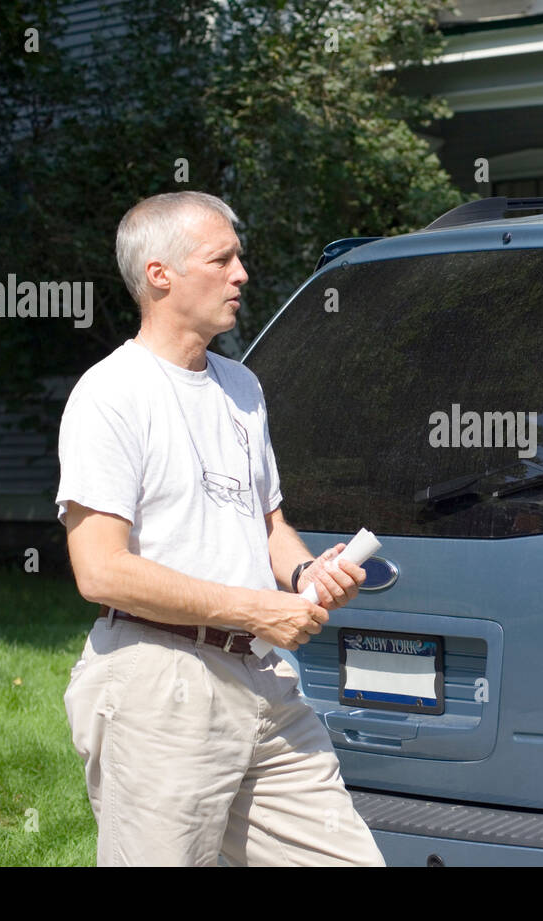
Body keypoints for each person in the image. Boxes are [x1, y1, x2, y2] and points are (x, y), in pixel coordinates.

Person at [57, 190, 384, 866]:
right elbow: (100, 570)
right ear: (159, 274)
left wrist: (304, 573)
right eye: (223, 259)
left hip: (263, 682)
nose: (242, 274)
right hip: (159, 686)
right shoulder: (110, 393)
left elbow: (268, 523)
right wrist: (257, 609)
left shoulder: (242, 388)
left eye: (241, 258)